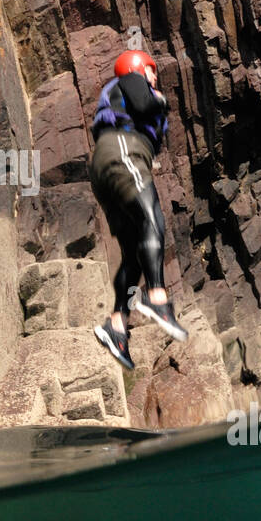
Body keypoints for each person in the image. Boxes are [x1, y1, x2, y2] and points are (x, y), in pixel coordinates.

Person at [90, 47, 188, 370]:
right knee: (153, 219)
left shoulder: (129, 88)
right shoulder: (131, 79)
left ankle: (116, 326)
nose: (154, 76)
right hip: (122, 150)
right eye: (151, 69)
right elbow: (145, 104)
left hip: (107, 165)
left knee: (133, 256)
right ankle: (156, 297)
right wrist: (159, 100)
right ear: (136, 67)